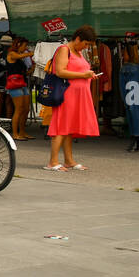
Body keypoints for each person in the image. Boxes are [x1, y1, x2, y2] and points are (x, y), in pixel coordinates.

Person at [45, 26, 100, 171]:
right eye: (86, 43)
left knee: (68, 128)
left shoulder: (78, 52)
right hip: (67, 94)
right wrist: (84, 75)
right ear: (78, 39)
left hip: (77, 95)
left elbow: (77, 70)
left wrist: (88, 74)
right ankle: (53, 161)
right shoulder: (65, 49)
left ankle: (69, 160)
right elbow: (61, 72)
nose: (86, 47)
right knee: (61, 126)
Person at [5, 35, 35, 141]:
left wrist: (32, 68)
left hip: (22, 83)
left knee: (26, 109)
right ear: (18, 44)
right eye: (24, 45)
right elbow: (18, 57)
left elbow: (25, 72)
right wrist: (30, 54)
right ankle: (15, 133)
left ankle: (22, 132)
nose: (25, 48)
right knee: (18, 109)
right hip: (14, 84)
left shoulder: (20, 56)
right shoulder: (12, 54)